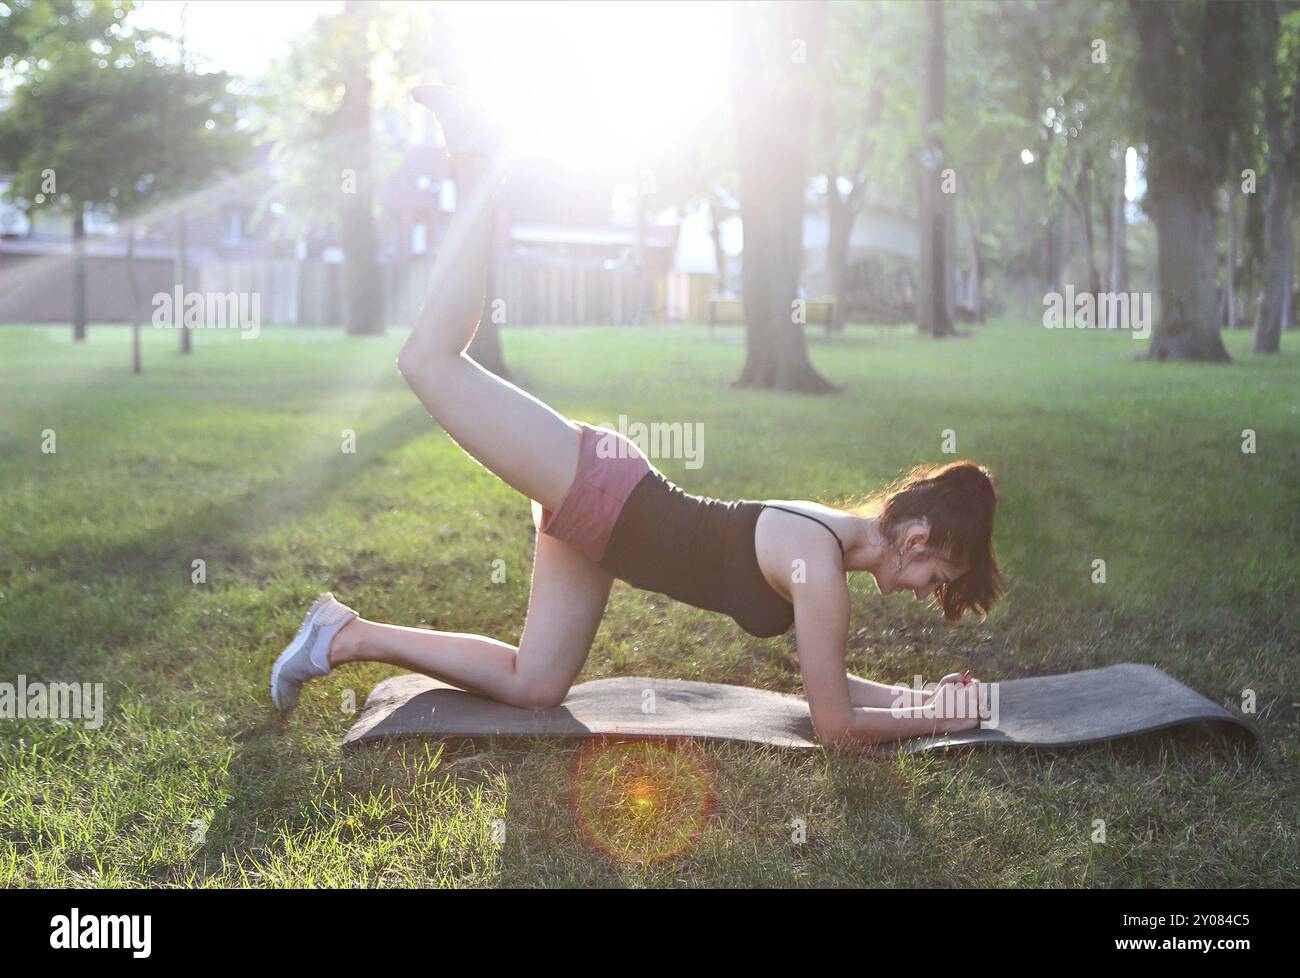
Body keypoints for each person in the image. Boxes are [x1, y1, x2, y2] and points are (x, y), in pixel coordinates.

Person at [271, 86, 1005, 746]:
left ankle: (343, 635)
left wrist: (922, 700)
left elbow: (833, 686)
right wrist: (937, 714)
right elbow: (835, 724)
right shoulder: (819, 565)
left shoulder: (831, 548)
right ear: (917, 535)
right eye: (941, 570)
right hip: (601, 488)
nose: (927, 589)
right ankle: (476, 163)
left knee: (536, 683)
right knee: (428, 359)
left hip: (607, 522)